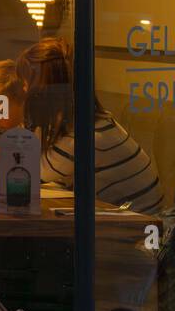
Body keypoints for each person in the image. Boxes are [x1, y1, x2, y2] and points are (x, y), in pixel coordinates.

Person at [17, 36, 165, 217]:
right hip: (134, 220)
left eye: (26, 84)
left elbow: (27, 174)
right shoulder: (94, 122)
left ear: (40, 92)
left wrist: (30, 121)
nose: (24, 91)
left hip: (135, 228)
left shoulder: (81, 138)